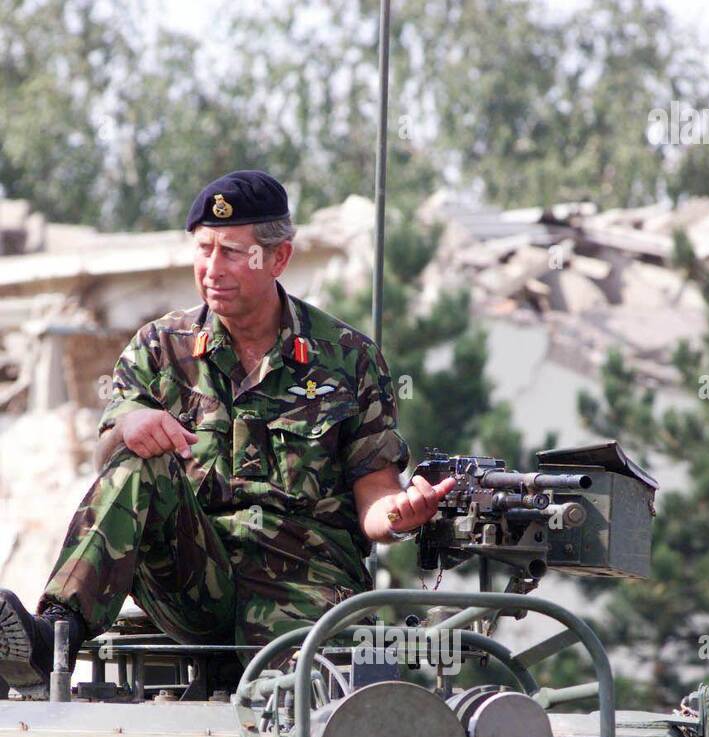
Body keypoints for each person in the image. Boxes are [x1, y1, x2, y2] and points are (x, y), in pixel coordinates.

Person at [0, 169, 455, 697]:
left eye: (234, 253)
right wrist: (128, 425)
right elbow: (108, 457)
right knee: (136, 460)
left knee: (296, 723)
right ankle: (52, 635)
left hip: (302, 580)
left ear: (279, 257)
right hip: (195, 575)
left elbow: (374, 496)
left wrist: (399, 516)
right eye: (204, 249)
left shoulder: (347, 359)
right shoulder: (161, 347)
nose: (213, 269)